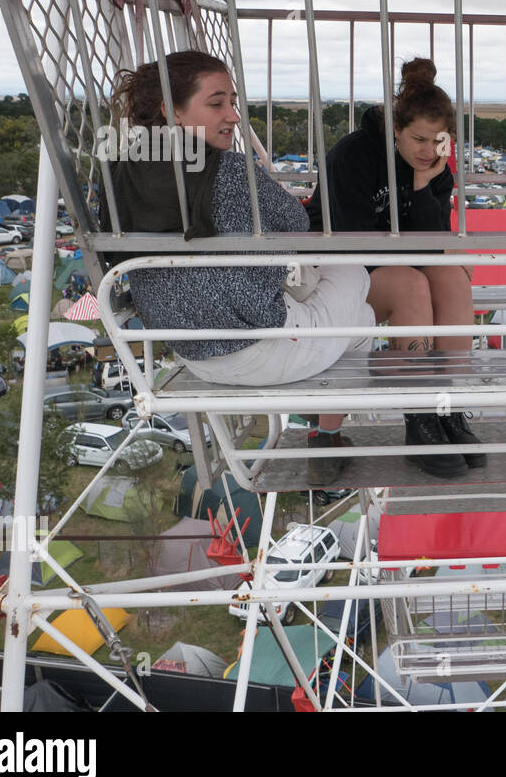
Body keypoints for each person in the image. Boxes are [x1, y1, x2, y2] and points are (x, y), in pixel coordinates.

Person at [108, 50, 375, 487]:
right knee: (355, 277)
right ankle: (328, 434)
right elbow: (294, 221)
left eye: (232, 102)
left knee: (355, 319)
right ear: (170, 110)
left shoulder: (122, 169)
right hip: (259, 350)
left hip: (191, 354)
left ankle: (326, 428)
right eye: (216, 104)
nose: (232, 116)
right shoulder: (229, 169)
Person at [305, 58, 478, 479]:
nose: (426, 150)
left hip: (393, 266)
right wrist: (409, 262)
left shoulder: (435, 167)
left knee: (453, 278)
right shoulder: (353, 156)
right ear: (395, 130)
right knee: (411, 285)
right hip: (336, 270)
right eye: (417, 139)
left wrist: (423, 188)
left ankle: (445, 410)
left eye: (438, 141)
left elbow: (432, 246)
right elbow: (349, 243)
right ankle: (419, 421)